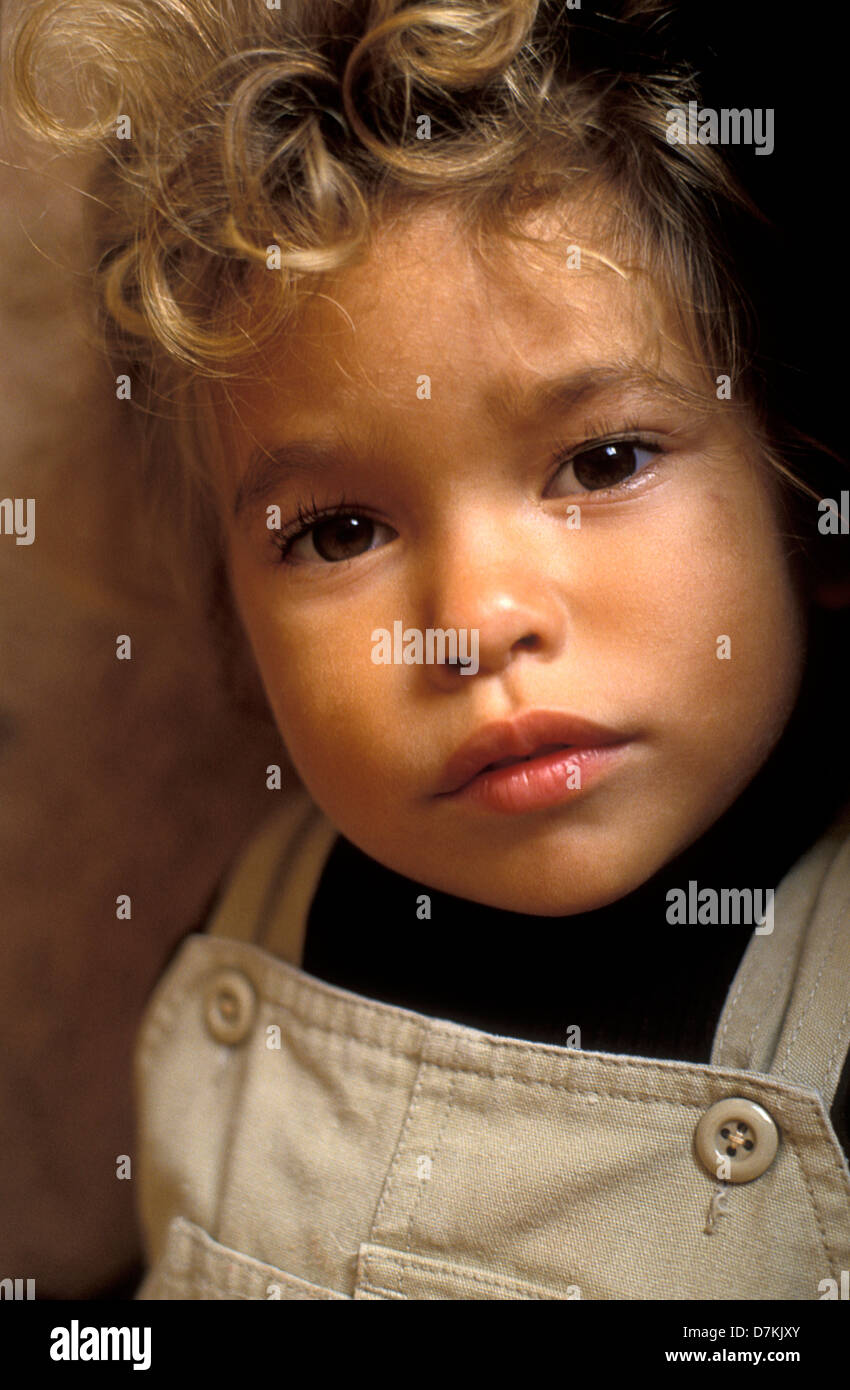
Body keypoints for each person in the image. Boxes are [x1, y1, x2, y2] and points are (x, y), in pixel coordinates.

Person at [10, 0, 850, 1299]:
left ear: (801, 498)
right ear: (233, 620)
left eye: (602, 460)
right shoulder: (251, 923)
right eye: (339, 531)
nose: (471, 620)